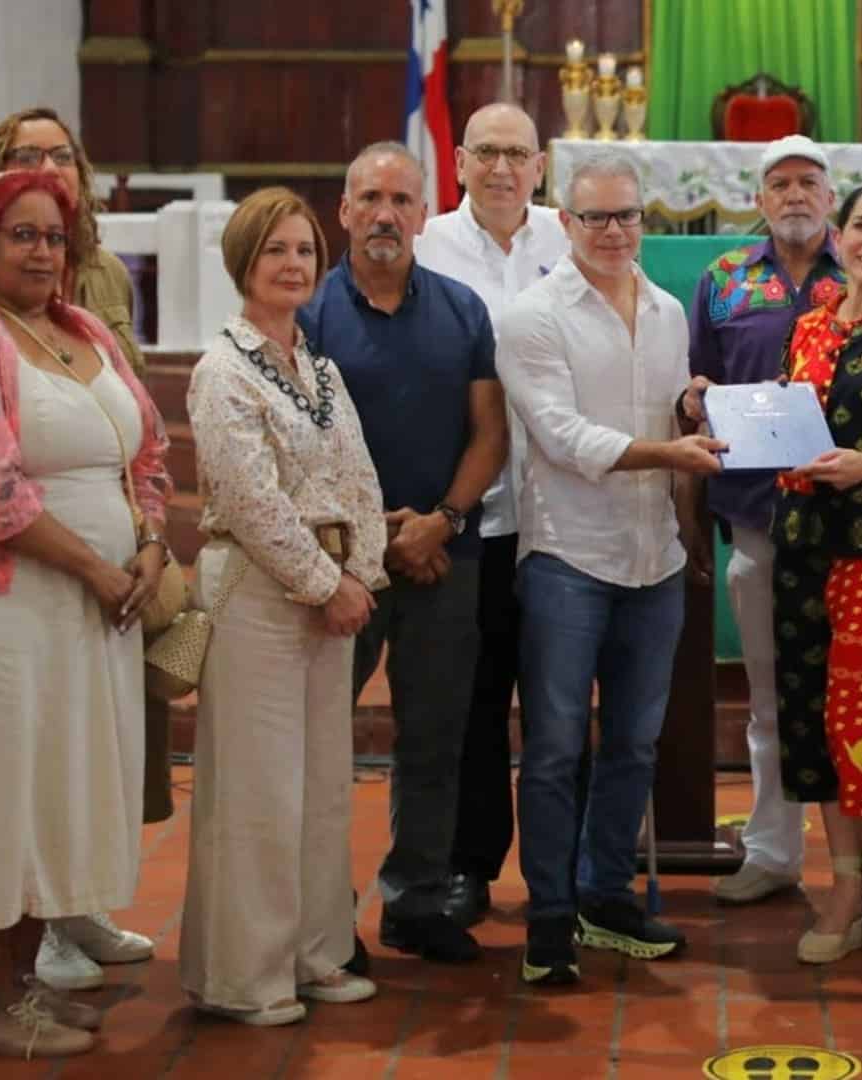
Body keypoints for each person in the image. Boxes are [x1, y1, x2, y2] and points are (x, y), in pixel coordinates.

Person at [697, 182, 862, 965]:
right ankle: (844, 882)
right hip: (804, 548)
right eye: (861, 226)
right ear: (840, 241)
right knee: (814, 719)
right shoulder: (808, 330)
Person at [0, 169, 171, 1057]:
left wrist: (148, 543)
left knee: (54, 794)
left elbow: (143, 451)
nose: (41, 251)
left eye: (53, 236)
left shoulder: (78, 329)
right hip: (2, 614)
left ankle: (29, 983)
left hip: (91, 614)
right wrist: (93, 569)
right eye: (21, 235)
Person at [496, 148, 724, 985]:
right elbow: (562, 439)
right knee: (556, 745)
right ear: (564, 222)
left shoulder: (666, 312)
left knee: (634, 742)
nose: (613, 231)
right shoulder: (532, 317)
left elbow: (673, 424)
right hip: (568, 556)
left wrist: (691, 418)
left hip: (653, 558)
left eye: (626, 215)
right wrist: (672, 444)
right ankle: (550, 916)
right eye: (594, 216)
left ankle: (605, 895)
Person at [180, 187, 385, 1025]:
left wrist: (363, 575)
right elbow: (251, 498)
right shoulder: (220, 368)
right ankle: (245, 976)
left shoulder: (323, 369)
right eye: (275, 251)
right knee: (256, 790)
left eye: (304, 250)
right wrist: (321, 582)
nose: (294, 264)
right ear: (243, 263)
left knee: (321, 787)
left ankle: (314, 953)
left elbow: (363, 481)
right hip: (259, 595)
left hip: (330, 593)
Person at [299, 141, 507, 964]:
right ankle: (321, 917)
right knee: (322, 744)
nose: (386, 214)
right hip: (336, 566)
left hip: (444, 558)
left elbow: (491, 434)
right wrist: (375, 538)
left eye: (402, 200)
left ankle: (417, 901)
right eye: (370, 199)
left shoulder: (463, 310)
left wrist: (443, 521)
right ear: (344, 212)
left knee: (434, 737)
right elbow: (298, 447)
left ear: (425, 214)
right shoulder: (309, 314)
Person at [412, 102, 574, 928]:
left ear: (540, 165)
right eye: (487, 153)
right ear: (461, 164)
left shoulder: (572, 237)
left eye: (517, 153)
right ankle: (470, 865)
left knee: (559, 702)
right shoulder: (426, 246)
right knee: (474, 702)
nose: (503, 168)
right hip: (477, 514)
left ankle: (567, 870)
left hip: (565, 515)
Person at [685, 135, 848, 906]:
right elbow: (696, 384)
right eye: (779, 184)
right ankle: (774, 849)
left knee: (847, 694)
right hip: (755, 517)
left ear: (831, 197)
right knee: (767, 697)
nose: (793, 195)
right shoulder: (722, 280)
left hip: (850, 525)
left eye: (807, 183)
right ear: (758, 199)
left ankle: (860, 865)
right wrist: (696, 397)